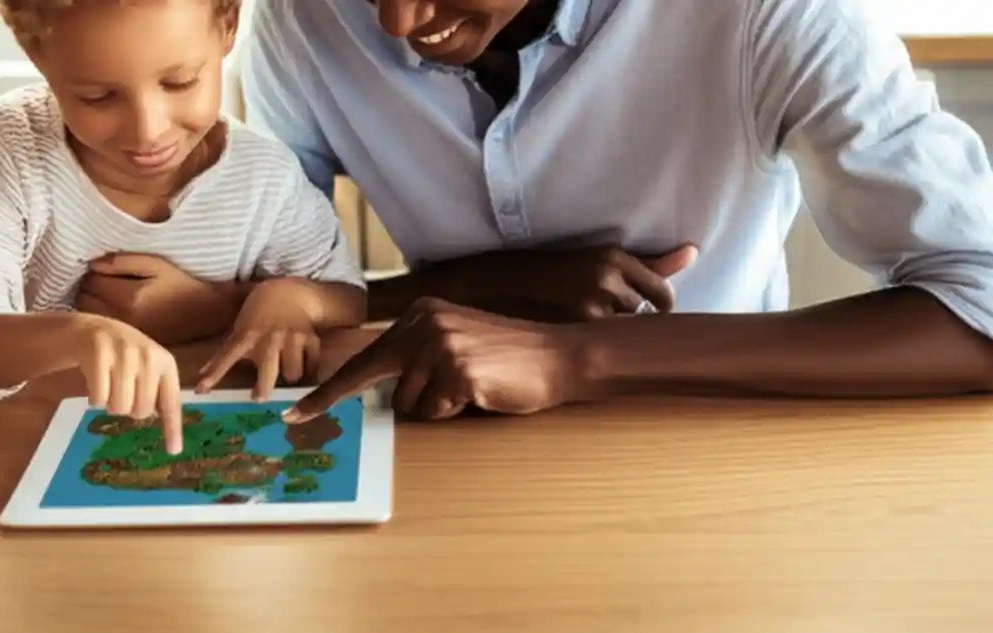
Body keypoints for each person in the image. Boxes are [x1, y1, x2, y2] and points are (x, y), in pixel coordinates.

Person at [231, 0, 993, 425]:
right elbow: (276, 296)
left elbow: (980, 300)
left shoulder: (767, 15)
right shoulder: (301, 20)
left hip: (713, 453)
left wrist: (571, 358)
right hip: (440, 460)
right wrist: (486, 287)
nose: (397, 21)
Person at [0, 0, 367, 453]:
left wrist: (291, 298)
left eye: (180, 82)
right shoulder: (11, 147)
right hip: (37, 446)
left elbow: (348, 298)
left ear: (227, 26)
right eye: (97, 96)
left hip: (229, 448)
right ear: (36, 53)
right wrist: (78, 337)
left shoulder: (266, 179)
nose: (148, 132)